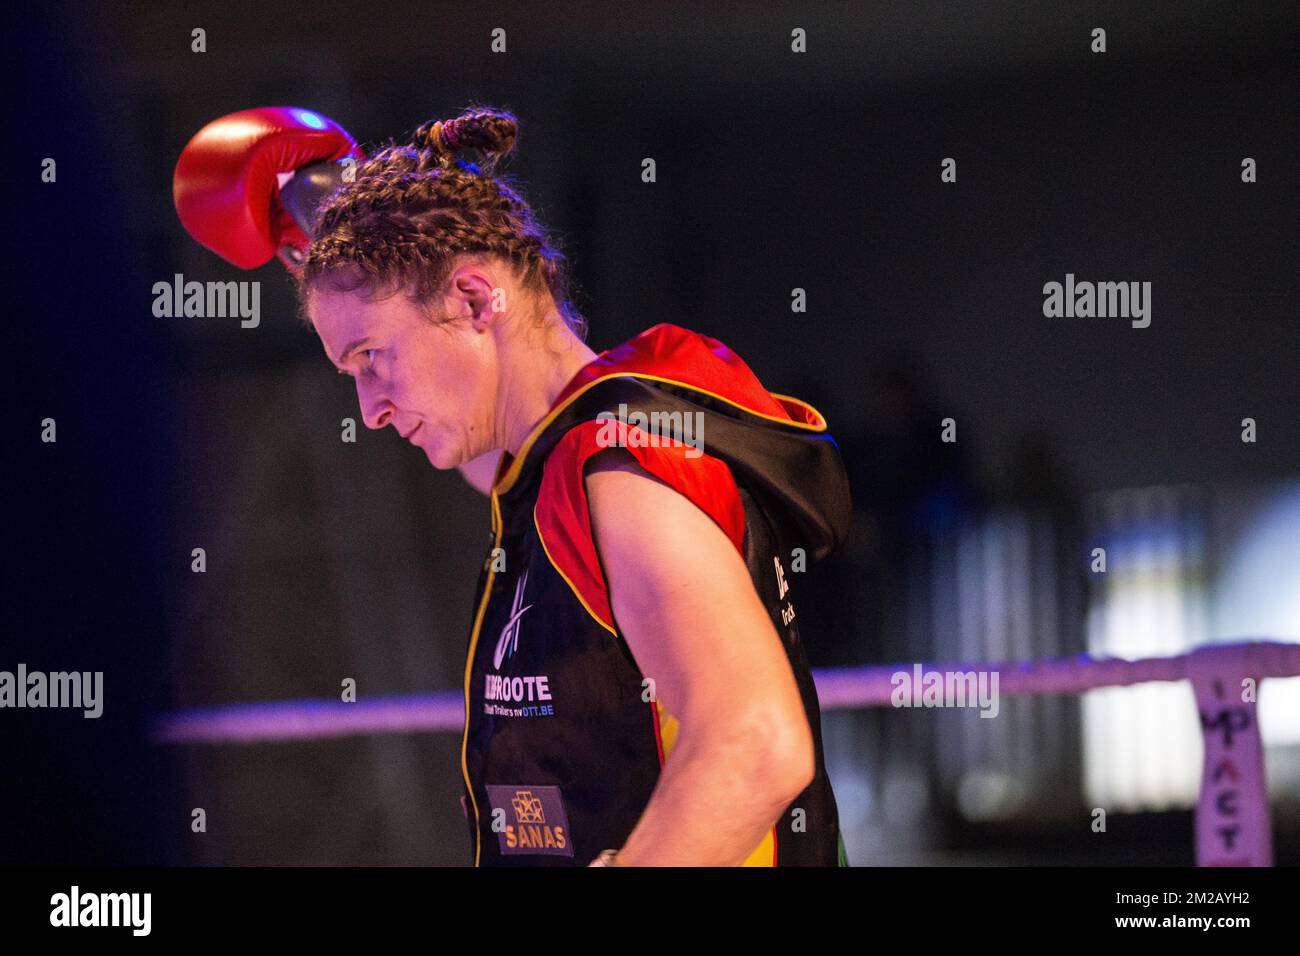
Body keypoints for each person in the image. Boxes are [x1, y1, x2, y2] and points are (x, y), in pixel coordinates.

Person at [182, 104, 854, 866]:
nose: (368, 409)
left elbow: (758, 740)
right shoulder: (553, 464)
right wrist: (314, 209)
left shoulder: (628, 471)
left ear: (473, 301)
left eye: (371, 358)